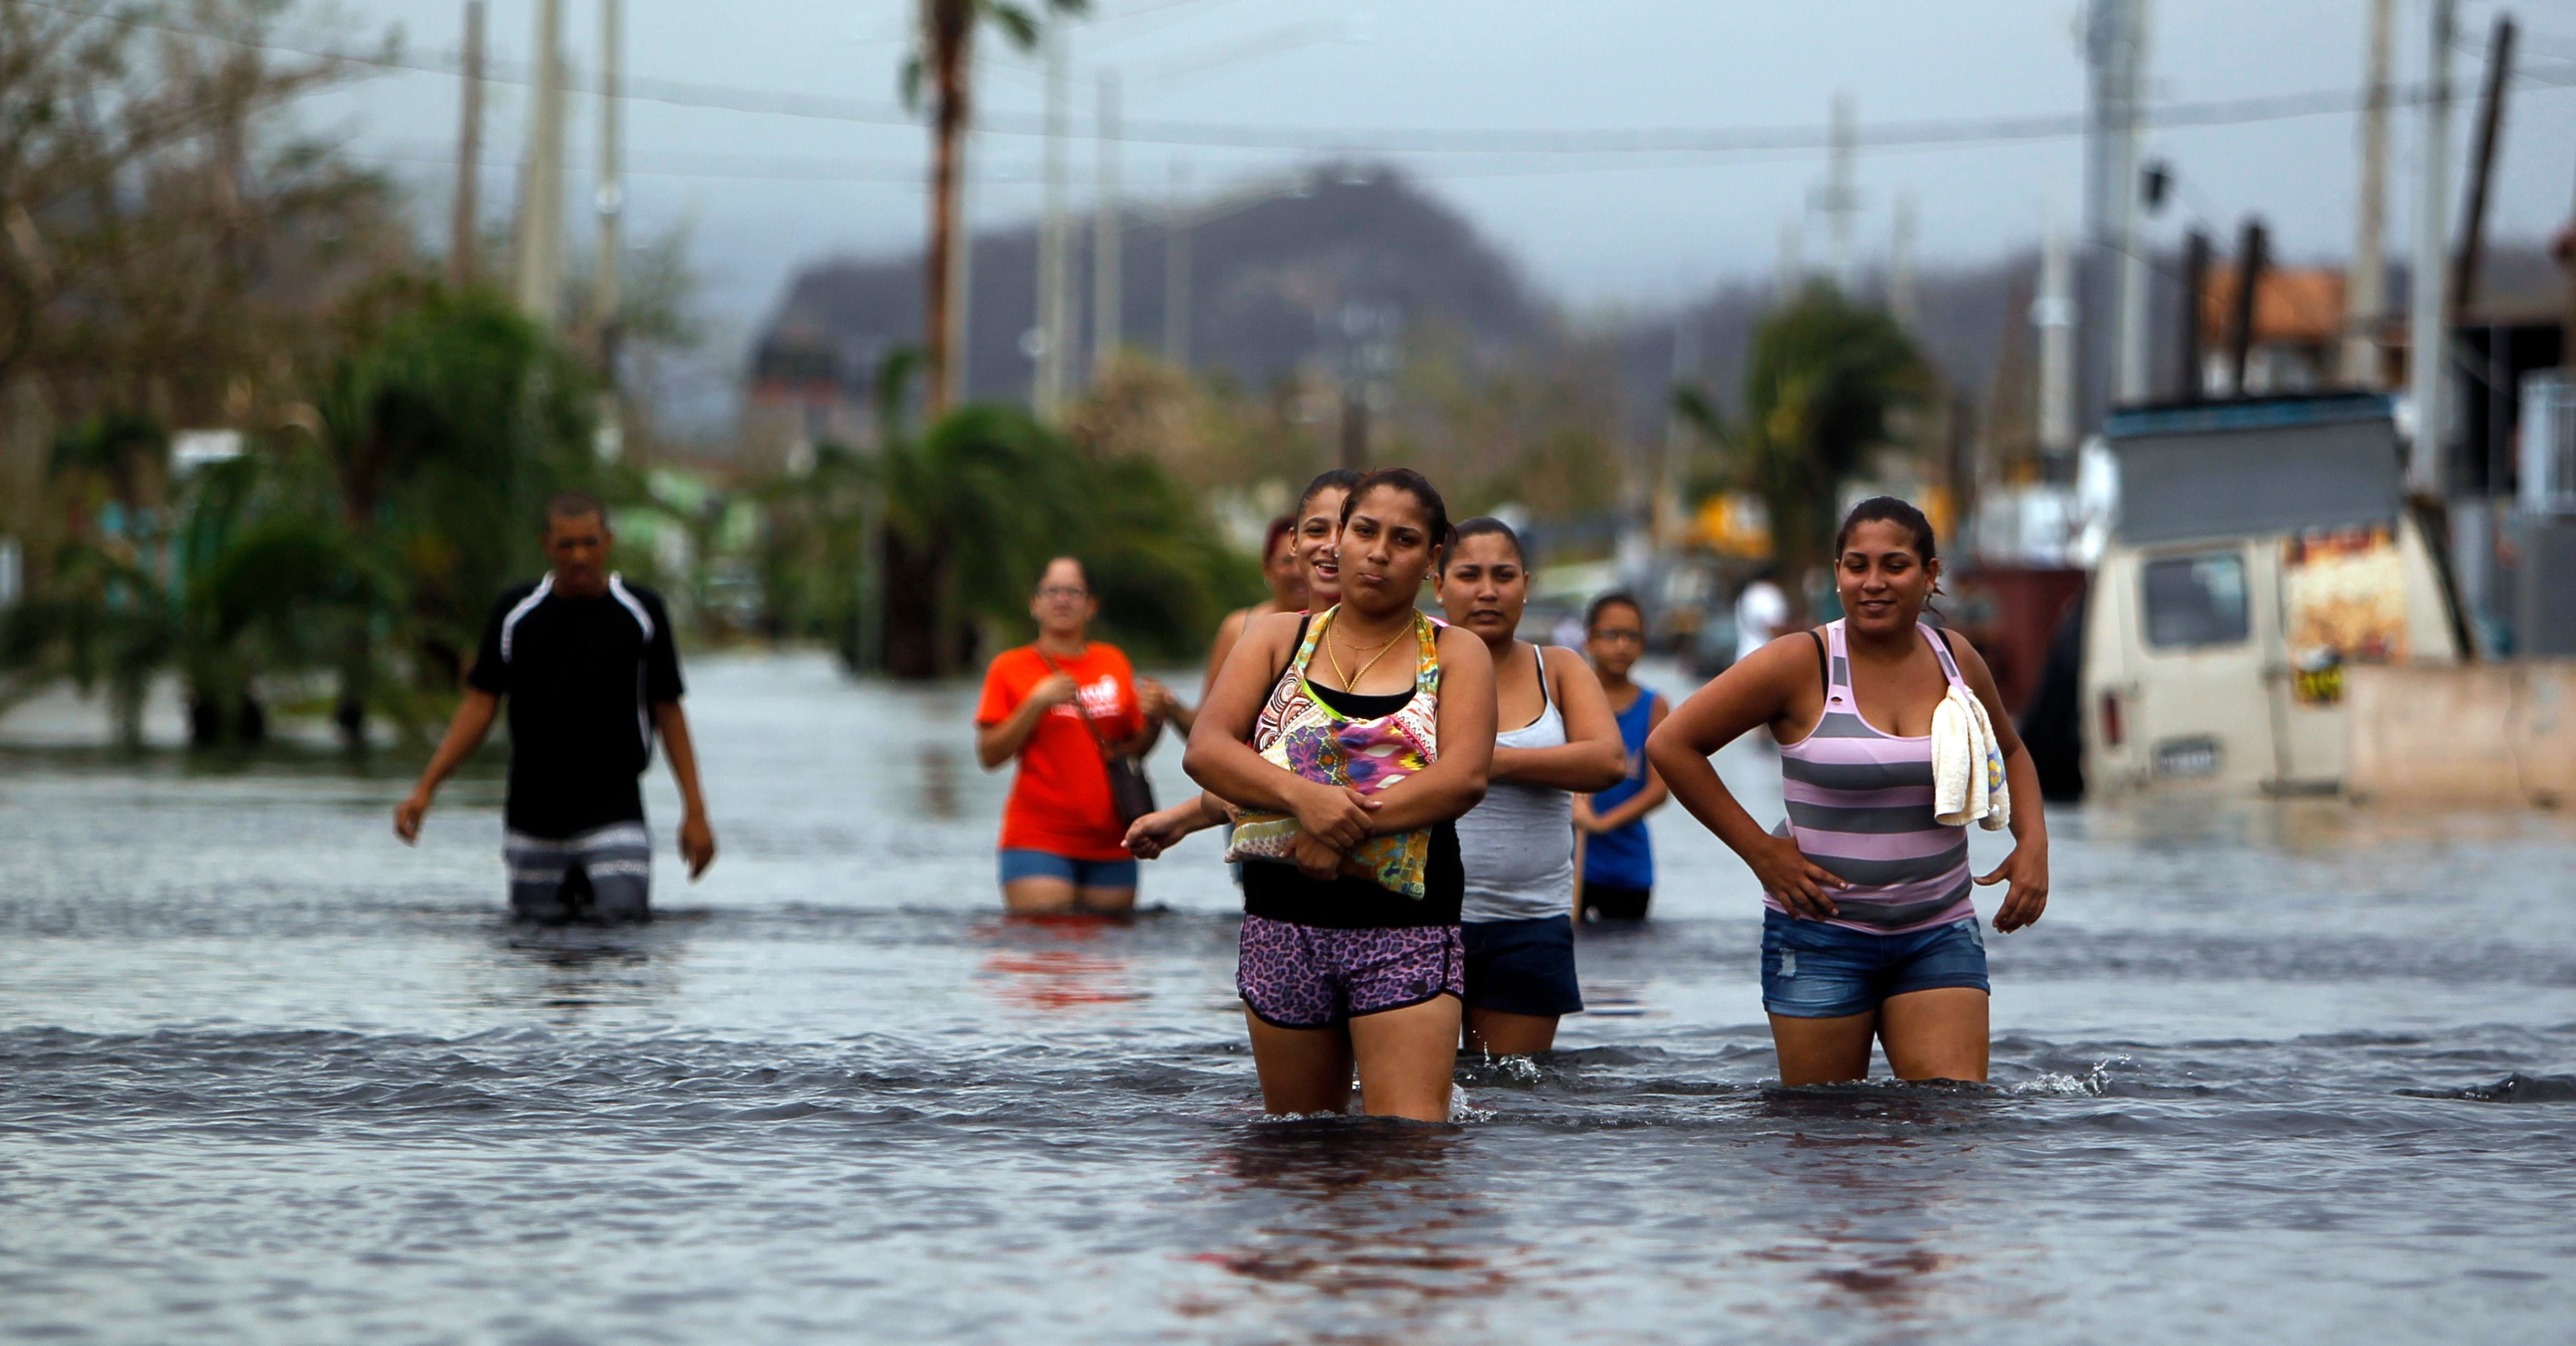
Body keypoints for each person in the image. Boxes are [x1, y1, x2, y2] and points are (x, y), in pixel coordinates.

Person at [1646, 498, 2050, 1086]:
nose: (1874, 582)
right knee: (1826, 1136)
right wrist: (1761, 852)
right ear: (1837, 573)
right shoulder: (1799, 662)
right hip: (1819, 934)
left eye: (1895, 565)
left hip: (1938, 928)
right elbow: (1672, 744)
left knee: (1951, 1124)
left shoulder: (1956, 658)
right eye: (1857, 565)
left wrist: (2033, 842)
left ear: (1931, 574)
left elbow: (2010, 750)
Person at [1183, 469, 1495, 1121]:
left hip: (1406, 925)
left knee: (1405, 1151)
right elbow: (1206, 749)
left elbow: (1464, 777)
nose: (1379, 551)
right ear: (1340, 542)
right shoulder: (1276, 639)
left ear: (1433, 559)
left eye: (1404, 539)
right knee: (1299, 1146)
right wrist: (1305, 800)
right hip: (1281, 922)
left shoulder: (1458, 652)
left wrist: (1340, 827)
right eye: (1365, 530)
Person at [394, 493, 716, 922]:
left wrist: (694, 812)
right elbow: (478, 707)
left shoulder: (641, 613)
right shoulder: (516, 614)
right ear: (546, 546)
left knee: (622, 933)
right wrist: (425, 790)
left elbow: (669, 713)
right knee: (534, 945)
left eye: (590, 542)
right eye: (567, 545)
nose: (579, 556)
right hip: (533, 817)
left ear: (608, 542)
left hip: (614, 810)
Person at [1433, 519, 1627, 1056]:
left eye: (1504, 575)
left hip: (1529, 921)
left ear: (1527, 584)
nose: (1488, 590)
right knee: (1410, 1105)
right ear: (1439, 585)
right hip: (1421, 918)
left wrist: (1493, 762)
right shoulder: (1413, 666)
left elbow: (1608, 760)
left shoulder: (1559, 667)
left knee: (1515, 1102)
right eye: (1469, 574)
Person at [1124, 470, 1359, 861]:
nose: (1331, 546)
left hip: (1372, 872)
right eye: (1317, 531)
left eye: (1349, 531)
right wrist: (1190, 814)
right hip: (1261, 846)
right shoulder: (1254, 632)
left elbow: (1387, 768)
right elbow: (1213, 746)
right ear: (1288, 550)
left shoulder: (1420, 646)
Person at [975, 557, 1174, 917]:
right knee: (1047, 942)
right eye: (1052, 591)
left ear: (1092, 605)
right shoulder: (1009, 668)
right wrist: (1036, 703)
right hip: (1038, 838)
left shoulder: (1112, 661)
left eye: (1073, 591)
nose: (1062, 600)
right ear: (1035, 604)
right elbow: (989, 755)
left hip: (1112, 841)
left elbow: (1133, 750)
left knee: (1108, 953)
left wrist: (1156, 718)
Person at [1573, 592, 1671, 921]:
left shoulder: (1654, 707)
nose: (1622, 646)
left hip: (1628, 867)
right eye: (1612, 635)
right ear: (1590, 640)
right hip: (1573, 865)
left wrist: (1601, 824)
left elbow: (1658, 790)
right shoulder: (1569, 700)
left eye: (1633, 637)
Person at [1735, 567, 1790, 666]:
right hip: (1766, 660)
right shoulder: (1767, 593)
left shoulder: (1748, 593)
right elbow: (1775, 628)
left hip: (1744, 657)